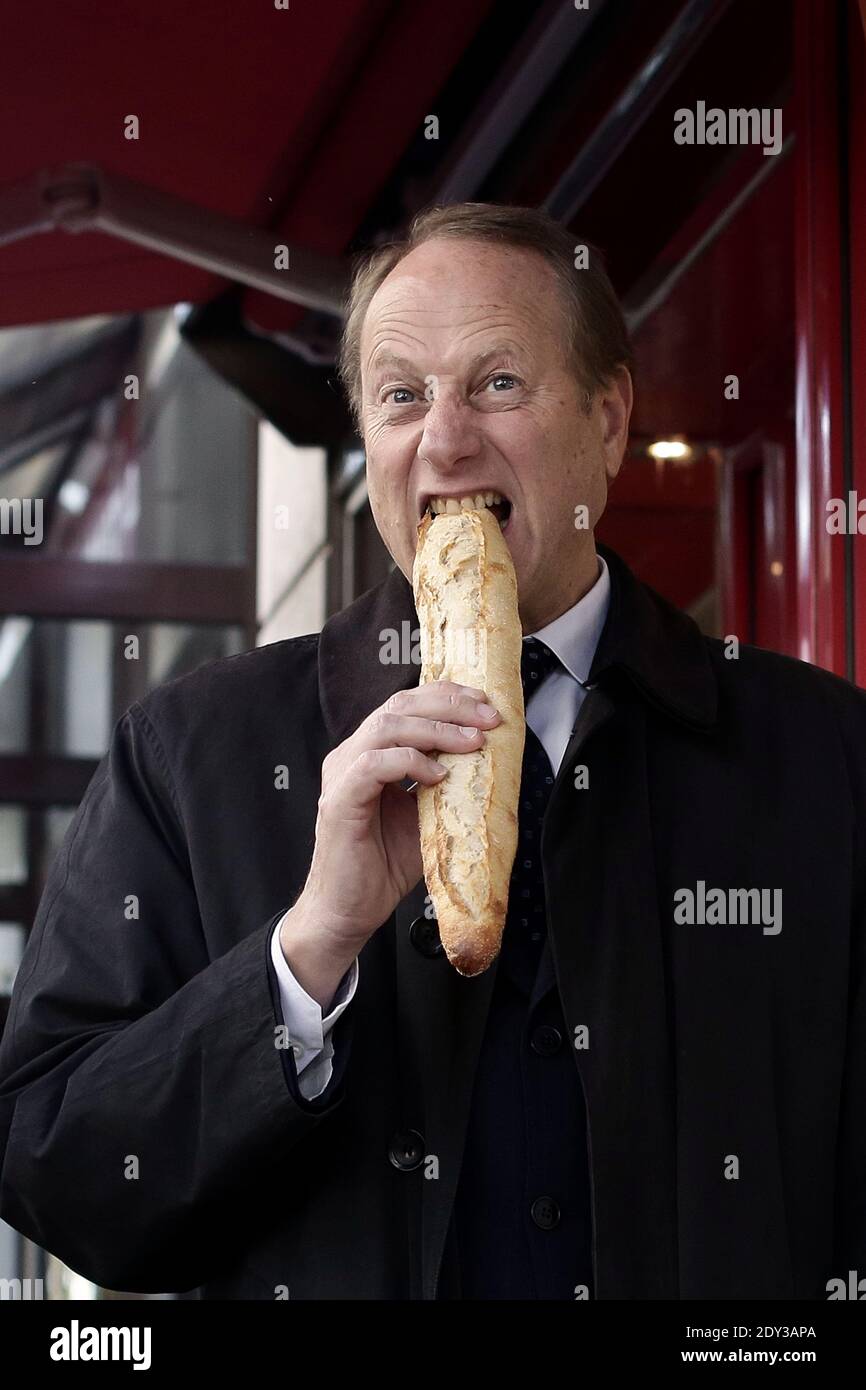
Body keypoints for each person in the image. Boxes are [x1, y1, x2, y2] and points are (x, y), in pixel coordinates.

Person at [1, 202, 864, 1300]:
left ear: (606, 420)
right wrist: (307, 950)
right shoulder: (192, 752)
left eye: (497, 384)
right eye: (402, 395)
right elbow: (57, 1171)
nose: (445, 440)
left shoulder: (825, 759)